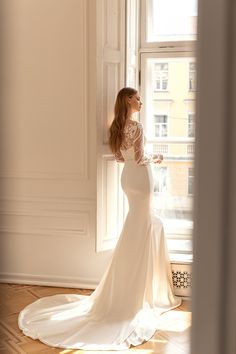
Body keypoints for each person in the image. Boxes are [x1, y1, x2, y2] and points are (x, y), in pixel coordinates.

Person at [18, 87, 181, 350]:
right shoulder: (136, 127)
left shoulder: (116, 126)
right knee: (143, 223)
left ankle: (136, 284)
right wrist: (157, 158)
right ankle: (138, 290)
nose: (140, 101)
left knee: (141, 224)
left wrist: (135, 158)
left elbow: (120, 158)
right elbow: (140, 158)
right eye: (137, 97)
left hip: (127, 179)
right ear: (127, 100)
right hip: (141, 178)